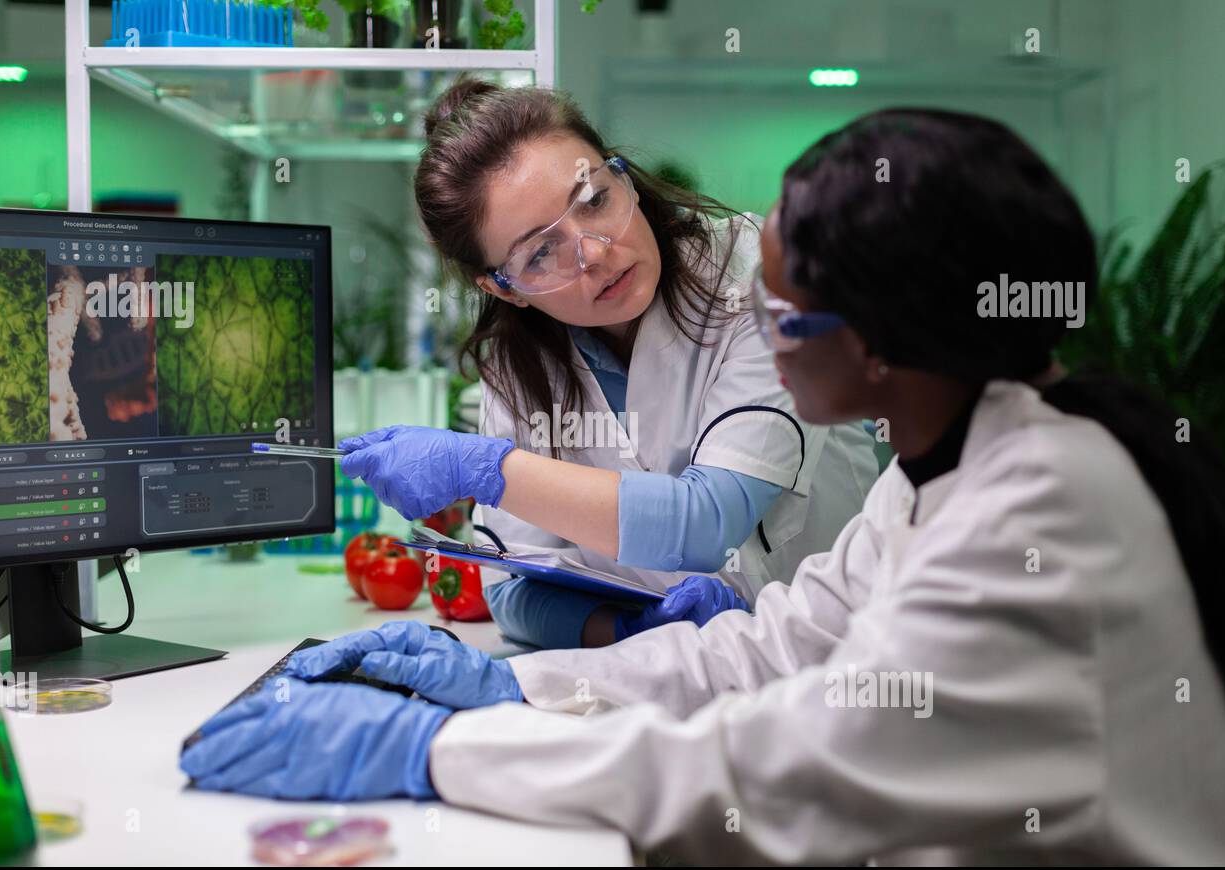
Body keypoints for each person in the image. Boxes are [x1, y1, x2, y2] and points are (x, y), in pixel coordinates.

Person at [181, 109, 1225, 864]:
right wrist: (515, 686)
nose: (757, 334)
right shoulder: (933, 475)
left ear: (876, 341)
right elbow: (777, 644)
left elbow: (780, 764)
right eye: (542, 249)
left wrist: (440, 746)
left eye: (780, 312)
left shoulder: (1039, 509)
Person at [338, 78, 877, 649]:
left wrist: (487, 471)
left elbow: (709, 522)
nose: (594, 252)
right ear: (504, 289)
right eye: (541, 252)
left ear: (624, 176)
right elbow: (511, 591)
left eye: (595, 199)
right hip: (681, 682)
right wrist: (629, 628)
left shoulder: (758, 280)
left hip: (843, 655)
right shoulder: (519, 368)